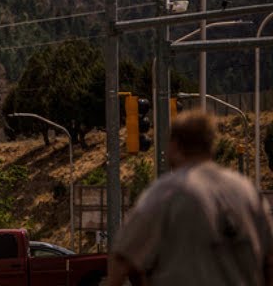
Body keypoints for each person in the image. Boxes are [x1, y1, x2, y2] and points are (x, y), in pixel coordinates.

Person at [109, 108, 273, 285]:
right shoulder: (247, 191)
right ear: (211, 144)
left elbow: (122, 259)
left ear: (175, 145)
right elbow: (269, 259)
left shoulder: (166, 192)